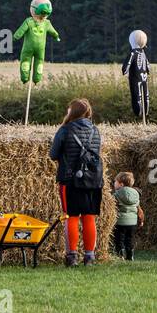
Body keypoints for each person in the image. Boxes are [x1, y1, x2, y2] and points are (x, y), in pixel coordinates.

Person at [50, 98, 103, 266]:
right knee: (89, 217)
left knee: (71, 217)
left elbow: (53, 154)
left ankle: (71, 256)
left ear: (72, 112)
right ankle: (89, 256)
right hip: (93, 180)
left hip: (70, 179)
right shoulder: (95, 130)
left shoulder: (65, 130)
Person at [16, 0, 60, 85]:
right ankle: (36, 78)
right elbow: (53, 32)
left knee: (26, 60)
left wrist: (16, 37)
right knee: (39, 62)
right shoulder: (46, 23)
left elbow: (21, 30)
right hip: (40, 48)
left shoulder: (29, 21)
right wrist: (56, 36)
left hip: (28, 47)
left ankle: (25, 77)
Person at [120, 30, 150, 120]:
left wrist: (125, 71)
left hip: (135, 78)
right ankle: (145, 111)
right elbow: (148, 65)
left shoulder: (133, 53)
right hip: (144, 77)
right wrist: (148, 71)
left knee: (137, 95)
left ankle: (139, 111)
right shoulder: (143, 53)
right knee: (145, 95)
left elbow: (127, 64)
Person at [111, 171, 141, 261]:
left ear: (121, 184)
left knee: (119, 239)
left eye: (115, 182)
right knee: (129, 239)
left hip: (120, 221)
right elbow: (137, 206)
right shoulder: (136, 194)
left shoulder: (117, 194)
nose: (114, 183)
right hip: (132, 222)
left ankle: (120, 256)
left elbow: (113, 205)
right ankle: (130, 255)